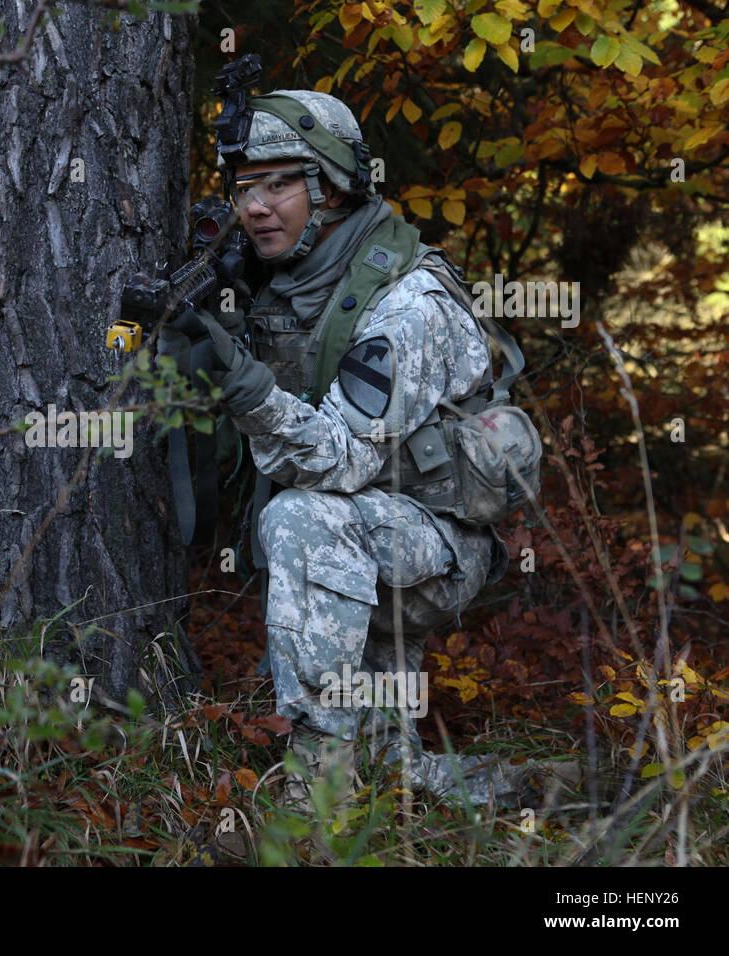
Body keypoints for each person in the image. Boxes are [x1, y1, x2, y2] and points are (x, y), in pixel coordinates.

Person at [161, 89, 555, 809]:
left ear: (334, 188)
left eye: (279, 182)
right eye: (245, 186)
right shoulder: (286, 279)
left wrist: (242, 380)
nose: (255, 207)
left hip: (434, 546)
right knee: (388, 766)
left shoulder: (406, 305)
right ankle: (512, 790)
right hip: (370, 533)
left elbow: (340, 457)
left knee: (300, 520)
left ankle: (317, 793)